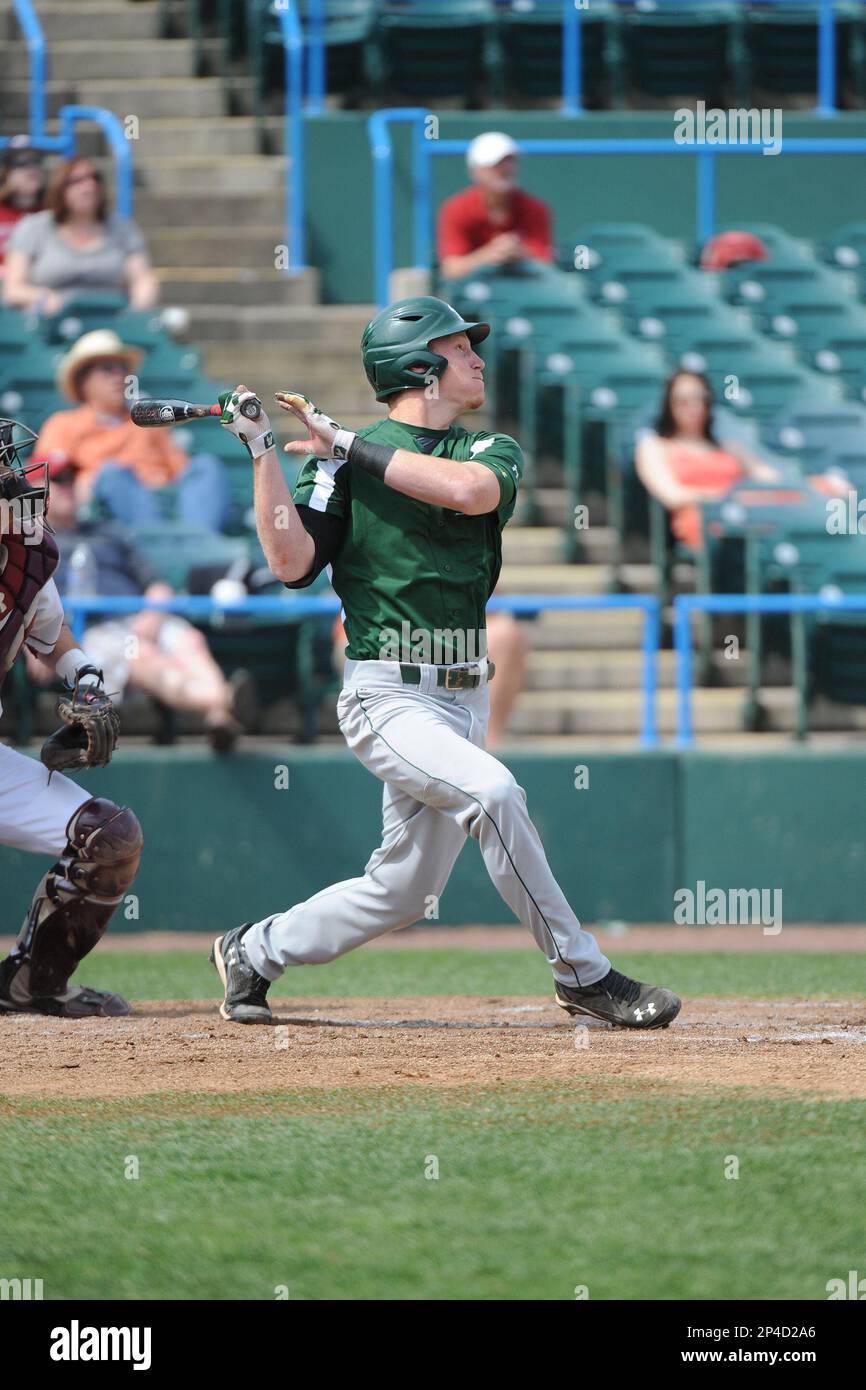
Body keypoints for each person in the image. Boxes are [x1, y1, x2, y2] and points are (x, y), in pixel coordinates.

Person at [209, 295, 680, 1031]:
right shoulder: (339, 470)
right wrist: (263, 450)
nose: (477, 360)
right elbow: (290, 561)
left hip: (465, 696)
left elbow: (466, 495)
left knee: (400, 889)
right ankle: (583, 974)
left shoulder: (486, 451)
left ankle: (253, 949)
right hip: (387, 694)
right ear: (420, 369)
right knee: (494, 794)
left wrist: (346, 442)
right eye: (461, 350)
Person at [0, 417, 141, 1017]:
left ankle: (31, 986)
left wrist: (86, 679)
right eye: (2, 468)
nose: (13, 477)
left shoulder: (24, 555)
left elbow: (52, 639)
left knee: (109, 839)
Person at [24, 460, 246, 752]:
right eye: (57, 480)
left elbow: (158, 586)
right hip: (90, 629)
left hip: (141, 616)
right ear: (35, 492)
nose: (67, 487)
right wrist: (33, 647)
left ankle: (219, 717)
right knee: (142, 654)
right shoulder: (32, 542)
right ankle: (223, 702)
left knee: (191, 640)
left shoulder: (109, 532)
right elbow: (25, 601)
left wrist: (152, 615)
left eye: (70, 479)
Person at [34, 329, 231, 531]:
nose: (119, 375)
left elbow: (181, 470)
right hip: (114, 521)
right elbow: (46, 482)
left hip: (165, 505)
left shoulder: (147, 419)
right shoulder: (63, 424)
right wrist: (83, 483)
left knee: (206, 466)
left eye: (123, 368)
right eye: (107, 368)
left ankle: (200, 543)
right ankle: (160, 544)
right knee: (112, 474)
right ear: (83, 381)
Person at [636, 370, 782, 551]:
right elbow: (672, 495)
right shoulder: (655, 446)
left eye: (701, 399)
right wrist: (726, 498)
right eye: (683, 400)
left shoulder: (729, 446)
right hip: (702, 522)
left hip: (745, 515)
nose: (694, 407)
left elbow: (770, 478)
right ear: (669, 404)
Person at [3, 155, 157, 315]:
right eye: (78, 181)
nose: (89, 186)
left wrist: (136, 311)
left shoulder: (122, 229)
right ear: (60, 189)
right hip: (51, 323)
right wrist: (42, 297)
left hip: (111, 320)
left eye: (94, 179)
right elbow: (13, 288)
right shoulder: (34, 227)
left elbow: (143, 279)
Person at [437, 131, 554, 283]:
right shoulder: (456, 209)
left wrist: (519, 254)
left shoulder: (535, 208)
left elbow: (547, 265)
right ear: (475, 171)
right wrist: (488, 255)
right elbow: (451, 270)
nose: (506, 169)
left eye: (510, 161)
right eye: (496, 164)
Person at [0, 138, 46, 271]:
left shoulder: (53, 211)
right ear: (7, 172)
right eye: (21, 163)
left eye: (36, 161)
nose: (31, 169)